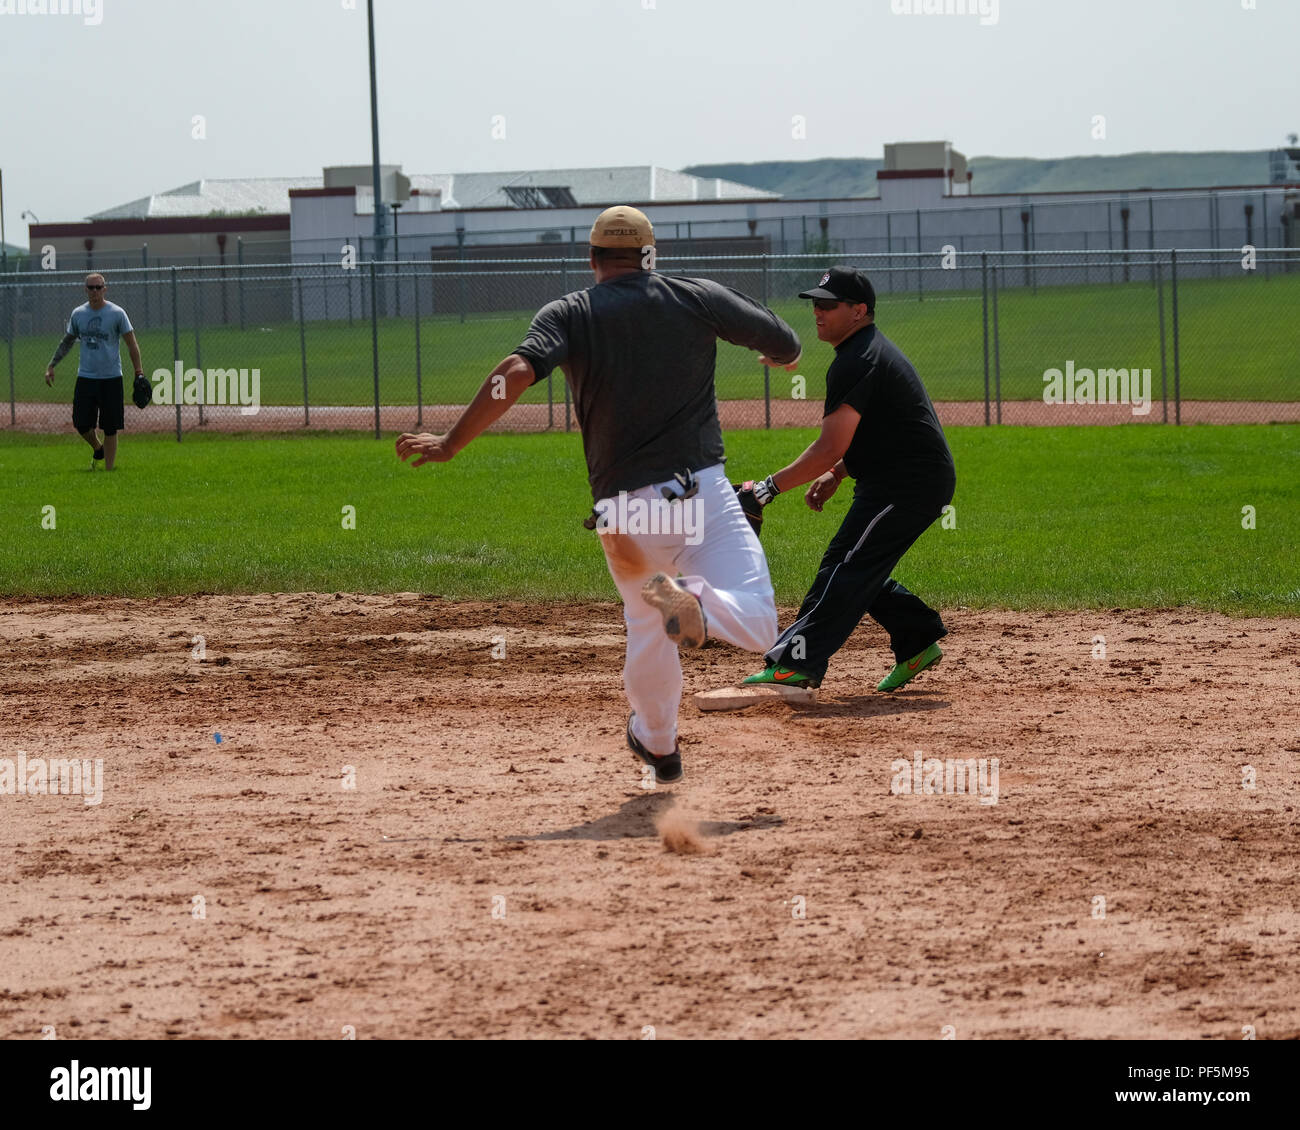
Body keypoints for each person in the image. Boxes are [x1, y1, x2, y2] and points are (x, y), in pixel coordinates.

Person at [395, 205, 801, 781]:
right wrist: (784, 357)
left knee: (646, 626)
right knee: (760, 624)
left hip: (626, 511)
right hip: (703, 493)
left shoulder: (571, 312)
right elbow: (783, 339)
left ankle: (658, 744)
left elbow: (512, 371)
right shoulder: (693, 295)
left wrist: (452, 441)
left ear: (592, 259)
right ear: (649, 256)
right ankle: (695, 604)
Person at [738, 266, 956, 694]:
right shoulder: (860, 354)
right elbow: (874, 432)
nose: (818, 313)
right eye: (815, 304)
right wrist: (838, 474)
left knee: (848, 568)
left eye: (828, 305)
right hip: (894, 479)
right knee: (850, 563)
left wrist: (766, 489)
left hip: (910, 483)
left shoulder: (859, 359)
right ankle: (916, 639)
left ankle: (796, 663)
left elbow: (827, 446)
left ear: (859, 311)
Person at [44, 273, 144, 472]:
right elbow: (67, 342)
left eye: (98, 287)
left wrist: (138, 372)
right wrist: (51, 365)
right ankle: (98, 448)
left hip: (112, 377)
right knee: (81, 423)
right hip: (87, 377)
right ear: (85, 290)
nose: (95, 291)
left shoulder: (117, 313)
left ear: (105, 289)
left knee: (110, 425)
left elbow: (131, 343)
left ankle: (108, 469)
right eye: (91, 287)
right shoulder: (79, 314)